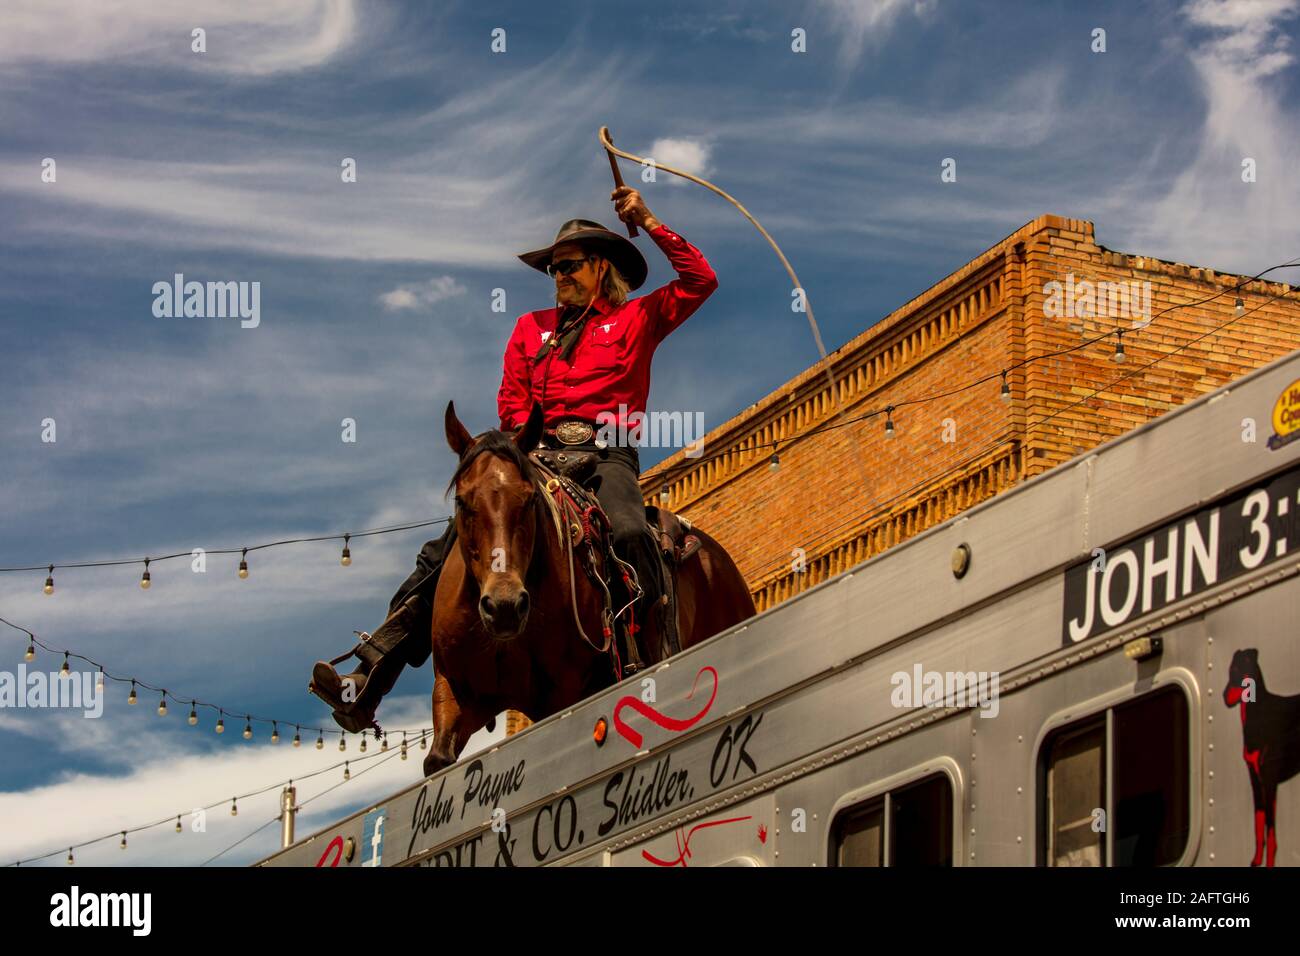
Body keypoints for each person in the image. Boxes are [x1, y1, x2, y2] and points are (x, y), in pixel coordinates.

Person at [309, 186, 718, 733]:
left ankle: (650, 657)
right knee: (445, 549)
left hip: (605, 454)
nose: (560, 275)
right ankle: (368, 679)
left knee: (627, 532)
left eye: (570, 265)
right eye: (553, 268)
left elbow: (701, 280)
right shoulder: (531, 329)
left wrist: (647, 218)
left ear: (602, 267)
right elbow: (512, 403)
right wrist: (517, 453)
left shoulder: (636, 319)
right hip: (536, 457)